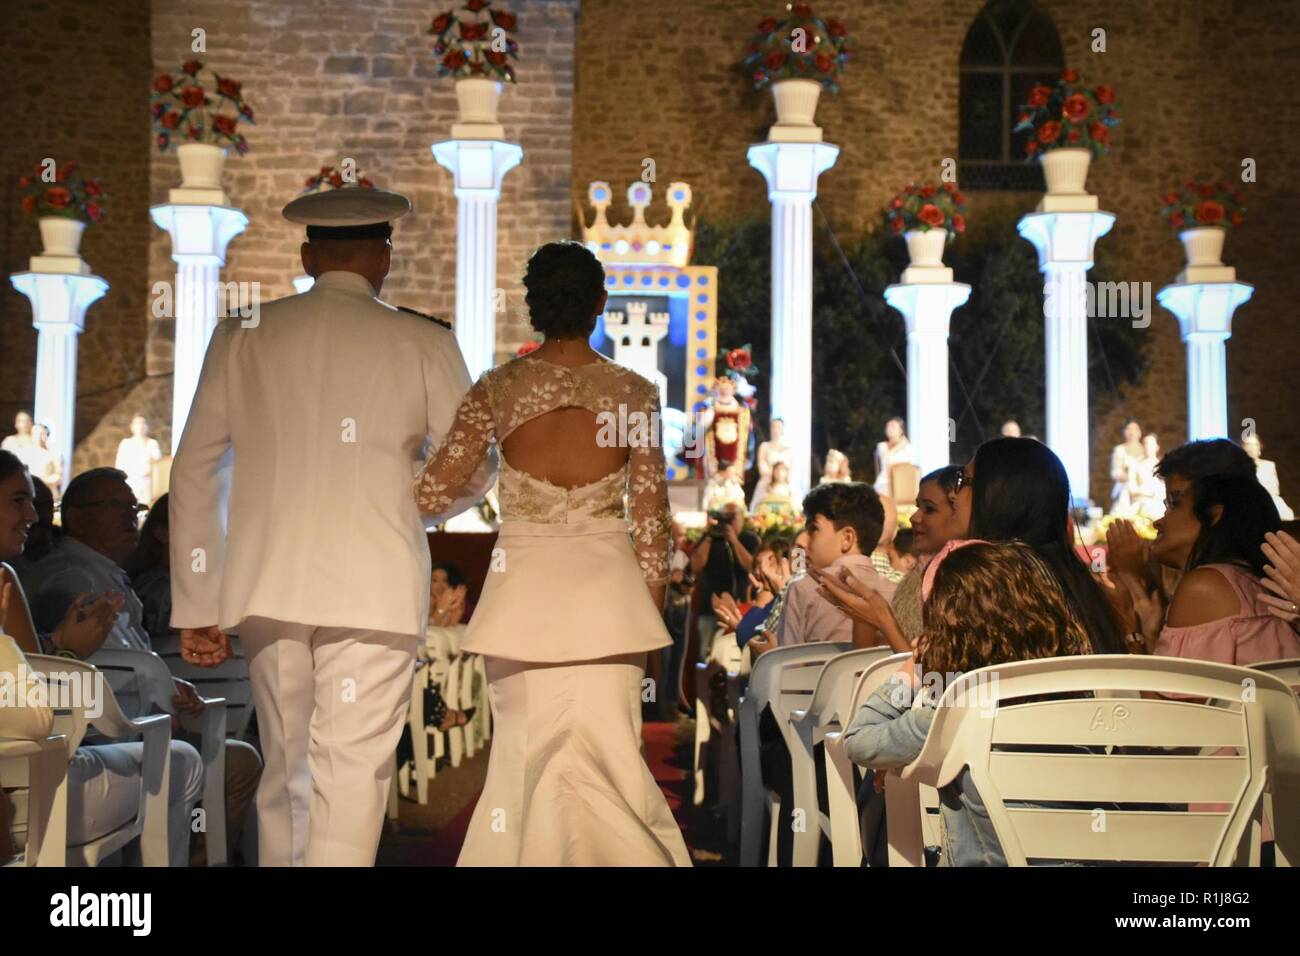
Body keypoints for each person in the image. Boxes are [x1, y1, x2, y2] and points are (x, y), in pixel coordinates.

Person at [169, 186, 497, 867]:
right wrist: (409, 508)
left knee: (287, 766)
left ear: (307, 253)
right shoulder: (422, 338)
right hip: (374, 582)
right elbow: (475, 463)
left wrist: (198, 600)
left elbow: (196, 467)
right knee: (351, 774)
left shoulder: (245, 332)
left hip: (269, 584)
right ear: (384, 257)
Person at [414, 239, 690, 867]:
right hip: (611, 604)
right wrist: (648, 618)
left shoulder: (498, 389)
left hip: (522, 605)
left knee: (521, 758)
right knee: (613, 756)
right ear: (600, 304)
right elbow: (651, 523)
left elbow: (432, 489)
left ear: (534, 307)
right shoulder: (636, 394)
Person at [28, 468, 262, 865]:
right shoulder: (71, 575)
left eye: (132, 506)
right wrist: (160, 693)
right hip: (98, 736)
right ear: (77, 516)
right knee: (229, 762)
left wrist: (168, 685)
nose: (129, 515)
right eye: (114, 506)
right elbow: (74, 665)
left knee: (234, 756)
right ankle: (195, 855)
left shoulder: (101, 570)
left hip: (126, 727)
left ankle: (196, 850)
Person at [840, 540, 1093, 866]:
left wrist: (913, 669)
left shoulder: (953, 715)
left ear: (950, 630)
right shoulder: (1079, 699)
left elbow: (859, 739)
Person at [1123, 473, 1299, 664]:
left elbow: (1164, 693)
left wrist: (1128, 627)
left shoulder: (1206, 585)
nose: (1157, 522)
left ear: (1214, 515)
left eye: (1174, 505)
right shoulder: (1243, 579)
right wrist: (1149, 634)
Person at [690, 500, 758, 662]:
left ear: (742, 518)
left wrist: (734, 541)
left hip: (741, 609)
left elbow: (752, 566)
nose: (729, 522)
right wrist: (709, 537)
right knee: (706, 656)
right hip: (710, 610)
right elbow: (695, 567)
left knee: (739, 656)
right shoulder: (710, 539)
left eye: (732, 517)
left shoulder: (748, 539)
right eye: (725, 518)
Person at [114, 414, 163, 507]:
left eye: (143, 423)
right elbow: (120, 465)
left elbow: (157, 465)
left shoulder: (152, 444)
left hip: (148, 486)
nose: (140, 426)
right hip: (131, 483)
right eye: (137, 423)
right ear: (132, 426)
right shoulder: (125, 444)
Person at [1243, 434, 1294, 521]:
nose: (1251, 448)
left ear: (1259, 448)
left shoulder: (1269, 465)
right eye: (1248, 444)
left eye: (1255, 444)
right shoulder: (1238, 468)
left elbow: (1274, 491)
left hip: (1269, 504)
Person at [749, 418, 793, 511]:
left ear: (782, 430)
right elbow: (762, 466)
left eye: (778, 427)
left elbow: (791, 469)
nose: (776, 430)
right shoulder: (764, 447)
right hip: (767, 483)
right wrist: (774, 475)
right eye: (773, 427)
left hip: (784, 484)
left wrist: (783, 478)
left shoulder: (789, 450)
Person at [1109, 419, 1145, 516]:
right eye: (1129, 429)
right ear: (1124, 432)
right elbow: (1114, 472)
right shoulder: (1119, 450)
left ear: (1139, 432)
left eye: (1135, 429)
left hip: (1142, 491)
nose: (1132, 432)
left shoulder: (1145, 450)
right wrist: (1128, 476)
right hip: (1124, 489)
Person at [873, 417, 915, 498]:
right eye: (888, 426)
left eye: (893, 426)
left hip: (902, 481)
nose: (889, 429)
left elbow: (909, 465)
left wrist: (904, 444)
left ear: (901, 430)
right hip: (885, 481)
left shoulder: (908, 447)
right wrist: (901, 445)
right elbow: (887, 459)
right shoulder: (882, 446)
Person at [1131, 432, 1166, 520]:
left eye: (1151, 444)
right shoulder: (1136, 465)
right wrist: (1147, 493)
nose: (1147, 447)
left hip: (1157, 505)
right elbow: (1132, 488)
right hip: (1139, 504)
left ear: (1157, 447)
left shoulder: (1161, 466)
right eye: (1145, 444)